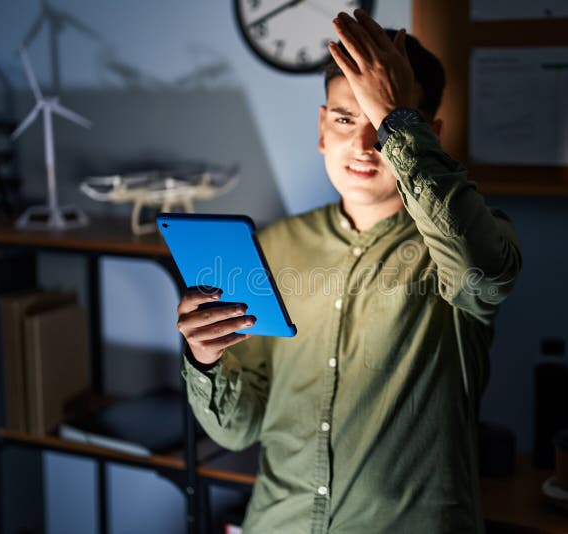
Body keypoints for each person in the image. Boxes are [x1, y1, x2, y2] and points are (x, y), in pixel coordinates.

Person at [176, 9, 522, 533]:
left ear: (431, 134)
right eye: (344, 118)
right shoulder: (272, 246)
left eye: (379, 123)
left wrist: (397, 119)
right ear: (322, 128)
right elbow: (238, 430)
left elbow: (484, 275)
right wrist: (205, 359)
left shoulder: (466, 242)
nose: (362, 146)